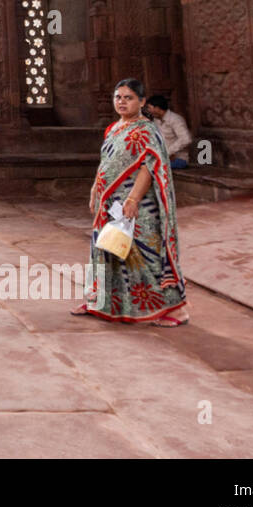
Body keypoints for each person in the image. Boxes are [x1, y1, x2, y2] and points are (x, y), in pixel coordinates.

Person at [71, 77, 188, 326]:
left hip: (138, 204)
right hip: (110, 203)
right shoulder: (114, 128)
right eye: (118, 97)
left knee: (145, 255)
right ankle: (101, 301)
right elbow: (106, 162)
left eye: (129, 97)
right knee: (107, 249)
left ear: (142, 101)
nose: (122, 102)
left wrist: (133, 199)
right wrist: (95, 189)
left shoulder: (147, 131)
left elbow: (149, 167)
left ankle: (177, 309)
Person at [146, 94, 191, 169]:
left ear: (157, 108)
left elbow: (186, 139)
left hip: (178, 159)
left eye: (149, 108)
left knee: (150, 168)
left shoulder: (175, 119)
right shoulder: (156, 120)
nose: (148, 111)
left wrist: (168, 153)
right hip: (163, 158)